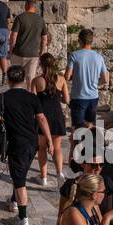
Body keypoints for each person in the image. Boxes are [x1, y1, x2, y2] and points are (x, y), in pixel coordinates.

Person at [0, 64, 51, 225]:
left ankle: (23, 218)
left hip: (16, 143)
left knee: (20, 182)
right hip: (32, 143)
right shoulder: (32, 98)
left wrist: (7, 120)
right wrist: (49, 139)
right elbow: (42, 118)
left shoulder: (3, 97)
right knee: (20, 172)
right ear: (24, 79)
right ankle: (13, 201)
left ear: (9, 80)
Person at [32, 51, 67, 183]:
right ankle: (59, 173)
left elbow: (32, 100)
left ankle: (44, 177)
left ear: (41, 64)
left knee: (41, 148)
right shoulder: (62, 79)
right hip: (57, 115)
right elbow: (66, 100)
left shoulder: (36, 81)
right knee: (57, 147)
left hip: (42, 117)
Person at [64, 27, 108, 129]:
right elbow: (105, 79)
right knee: (89, 126)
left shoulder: (74, 55)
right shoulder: (99, 57)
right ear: (91, 41)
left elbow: (67, 76)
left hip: (79, 97)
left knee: (78, 128)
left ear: (79, 40)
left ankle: (77, 145)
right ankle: (89, 144)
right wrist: (94, 84)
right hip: (93, 97)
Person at [8, 0, 48, 84]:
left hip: (19, 53)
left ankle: (18, 95)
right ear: (35, 6)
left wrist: (11, 49)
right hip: (33, 54)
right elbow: (44, 38)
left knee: (16, 78)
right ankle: (30, 96)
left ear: (26, 5)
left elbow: (13, 35)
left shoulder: (20, 18)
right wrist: (41, 51)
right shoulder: (41, 20)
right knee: (31, 80)